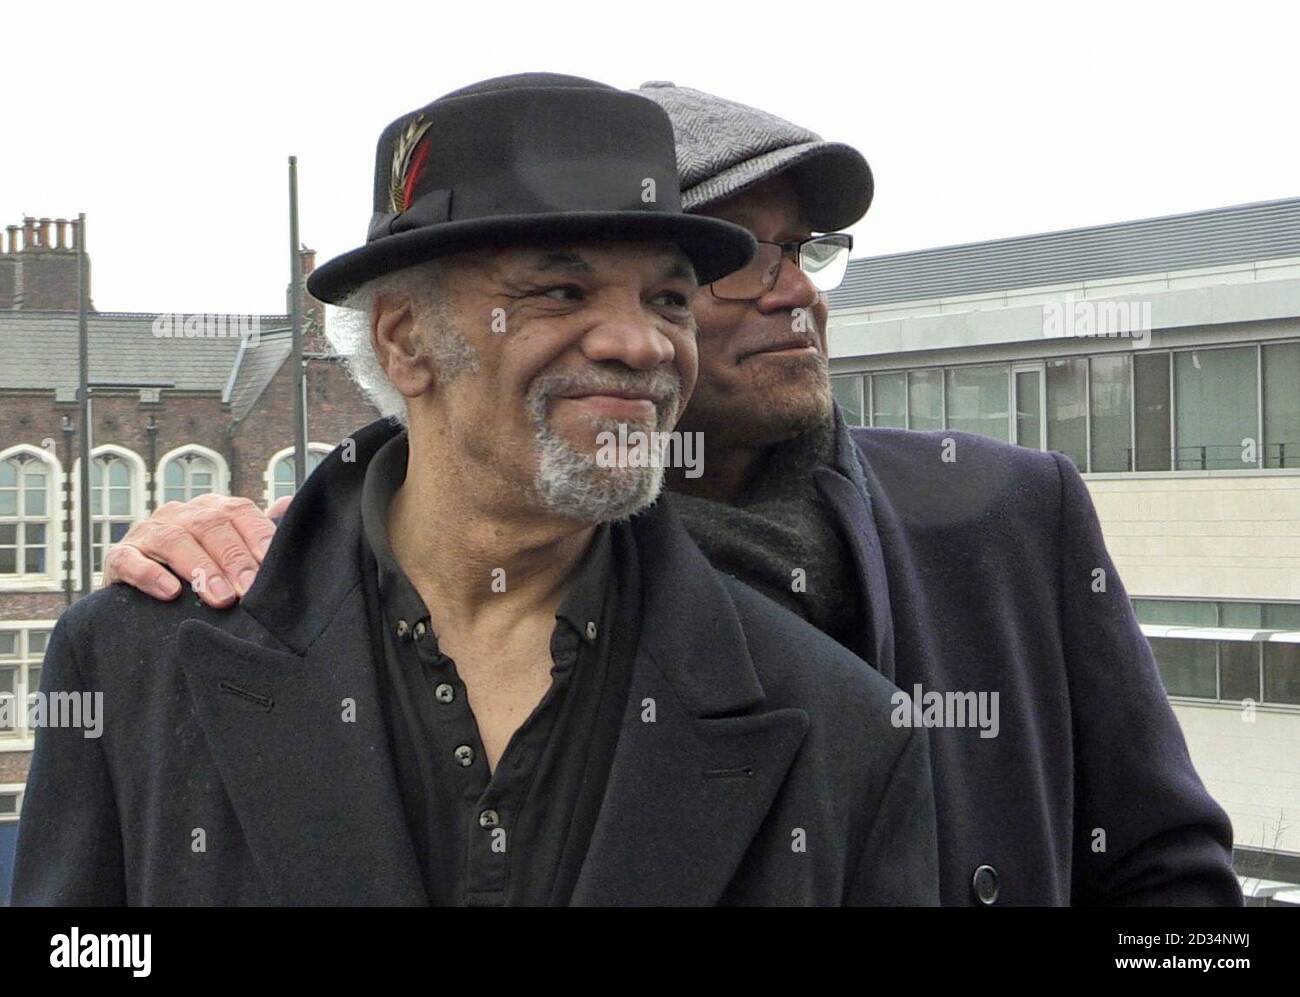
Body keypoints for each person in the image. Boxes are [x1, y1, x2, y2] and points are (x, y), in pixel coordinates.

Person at [100, 81, 1241, 906]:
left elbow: (1176, 881)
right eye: (740, 255)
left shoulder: (996, 518)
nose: (795, 290)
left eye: (810, 247)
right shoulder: (221, 619)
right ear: (414, 339)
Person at [12, 73, 939, 907]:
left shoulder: (841, 728)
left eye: (666, 298)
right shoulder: (138, 661)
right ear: (406, 339)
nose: (642, 343)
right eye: (561, 292)